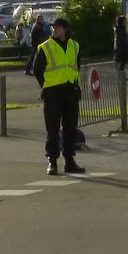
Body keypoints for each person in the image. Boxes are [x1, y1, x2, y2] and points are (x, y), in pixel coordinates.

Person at [29, 16, 86, 176]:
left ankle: (70, 161)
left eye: (58, 27)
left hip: (70, 92)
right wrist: (47, 85)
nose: (55, 29)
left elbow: (76, 66)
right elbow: (38, 70)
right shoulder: (45, 47)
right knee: (52, 130)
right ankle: (52, 162)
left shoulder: (74, 46)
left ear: (65, 29)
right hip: (53, 93)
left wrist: (74, 84)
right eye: (53, 27)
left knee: (70, 129)